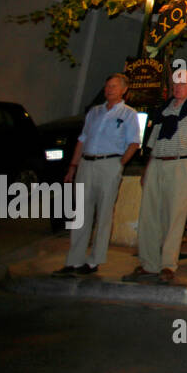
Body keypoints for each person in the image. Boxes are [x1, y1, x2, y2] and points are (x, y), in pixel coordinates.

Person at [122, 71, 187, 285]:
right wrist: (148, 168)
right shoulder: (164, 109)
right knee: (149, 214)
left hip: (181, 162)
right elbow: (154, 140)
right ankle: (148, 263)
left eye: (181, 84)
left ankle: (168, 265)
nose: (177, 87)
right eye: (174, 84)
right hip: (158, 161)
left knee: (174, 216)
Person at [54, 74, 141, 277]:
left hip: (109, 163)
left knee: (103, 214)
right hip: (87, 163)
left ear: (123, 90)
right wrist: (73, 166)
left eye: (114, 86)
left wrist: (119, 164)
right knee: (81, 213)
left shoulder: (128, 114)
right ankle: (74, 260)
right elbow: (82, 139)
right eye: (107, 86)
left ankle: (94, 261)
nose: (109, 90)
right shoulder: (94, 112)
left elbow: (134, 143)